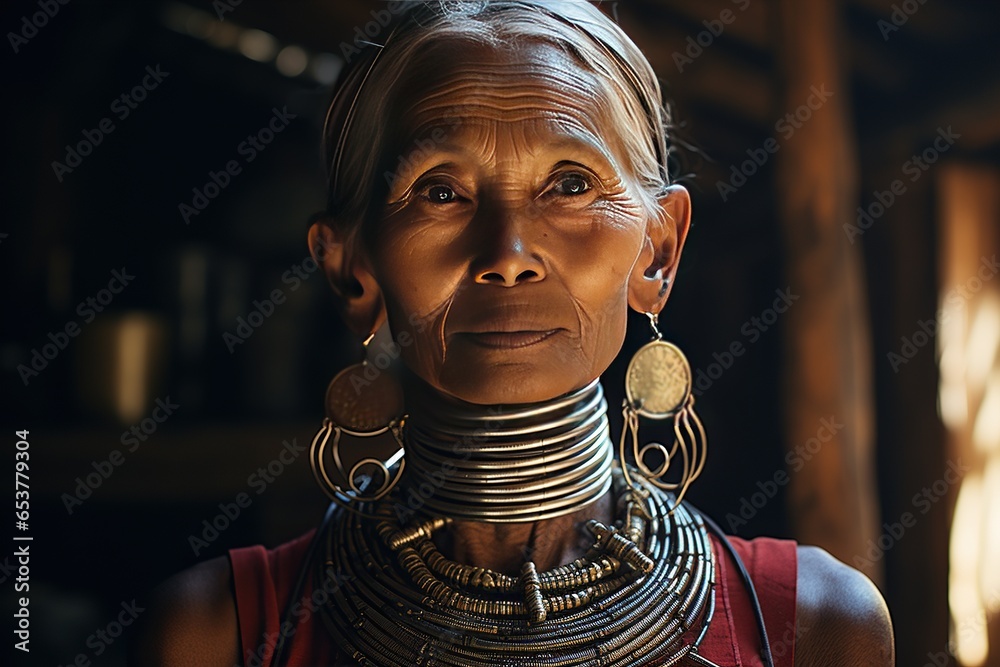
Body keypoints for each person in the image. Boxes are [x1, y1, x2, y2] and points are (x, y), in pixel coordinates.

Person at [130, 1, 894, 665]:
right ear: (352, 270)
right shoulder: (215, 636)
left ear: (658, 251)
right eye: (440, 191)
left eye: (570, 184)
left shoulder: (817, 626)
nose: (507, 255)